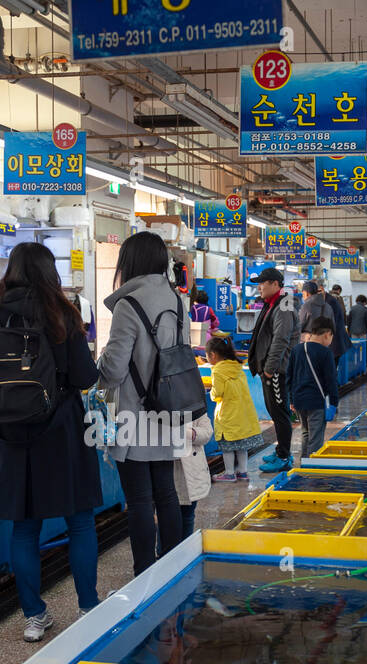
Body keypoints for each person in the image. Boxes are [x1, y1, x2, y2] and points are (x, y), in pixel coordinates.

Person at [0, 242, 102, 641]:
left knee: (24, 528)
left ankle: (34, 617)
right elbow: (85, 378)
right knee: (79, 521)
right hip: (61, 432)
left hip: (8, 435)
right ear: (48, 272)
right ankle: (89, 606)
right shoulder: (63, 316)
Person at [98, 231, 188, 576]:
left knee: (139, 500)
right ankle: (171, 567)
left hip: (134, 414)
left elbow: (115, 369)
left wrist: (101, 363)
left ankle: (144, 573)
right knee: (165, 492)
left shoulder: (127, 304)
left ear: (129, 263)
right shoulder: (178, 300)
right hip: (170, 408)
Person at [246, 267, 298, 473]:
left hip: (276, 370)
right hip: (271, 369)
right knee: (276, 411)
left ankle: (284, 456)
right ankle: (281, 450)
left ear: (275, 284)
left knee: (280, 413)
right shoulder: (274, 303)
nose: (259, 287)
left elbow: (281, 339)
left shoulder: (283, 305)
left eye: (263, 282)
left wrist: (269, 369)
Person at [207, 334, 264, 481]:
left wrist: (212, 395)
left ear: (212, 355)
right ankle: (243, 472)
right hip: (243, 413)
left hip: (228, 413)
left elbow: (217, 393)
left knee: (228, 447)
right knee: (241, 446)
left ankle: (230, 473)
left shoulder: (218, 371)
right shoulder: (237, 367)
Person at [288, 314, 339, 458]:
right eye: (331, 337)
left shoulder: (297, 350)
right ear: (327, 334)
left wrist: (291, 400)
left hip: (299, 401)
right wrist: (334, 403)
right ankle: (311, 471)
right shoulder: (326, 353)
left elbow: (289, 377)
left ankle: (304, 465)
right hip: (317, 402)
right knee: (315, 438)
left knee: (306, 433)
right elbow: (331, 381)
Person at [171, 412, 214, 542]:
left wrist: (189, 433)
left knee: (188, 516)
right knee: (167, 518)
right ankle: (164, 555)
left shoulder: (194, 403)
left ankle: (186, 551)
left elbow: (207, 432)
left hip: (191, 473)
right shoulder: (156, 401)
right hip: (167, 472)